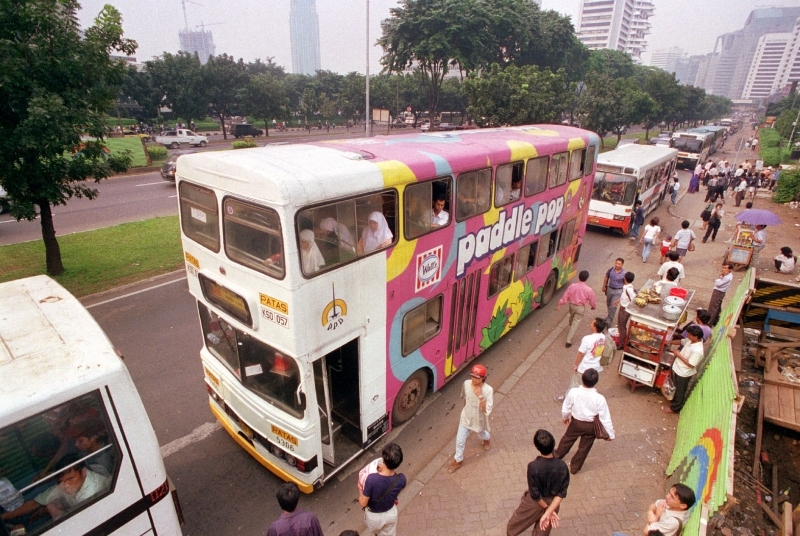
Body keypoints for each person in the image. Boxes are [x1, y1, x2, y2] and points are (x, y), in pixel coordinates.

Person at [1, 455, 111, 523]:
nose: (65, 486)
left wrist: (48, 509)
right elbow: (35, 503)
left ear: (83, 472)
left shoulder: (89, 494)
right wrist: (4, 516)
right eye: (60, 481)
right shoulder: (67, 484)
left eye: (70, 479)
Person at [506, 429, 569, 536]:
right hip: (553, 503)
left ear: (537, 447)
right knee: (542, 531)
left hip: (533, 503)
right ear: (553, 444)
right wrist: (550, 510)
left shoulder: (533, 466)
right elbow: (561, 493)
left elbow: (535, 494)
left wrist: (546, 508)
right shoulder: (562, 466)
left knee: (514, 525)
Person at [553, 369, 615, 474]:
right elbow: (605, 418)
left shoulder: (573, 392)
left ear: (582, 379)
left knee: (567, 439)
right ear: (596, 382)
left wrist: (565, 417)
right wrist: (610, 434)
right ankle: (574, 467)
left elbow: (566, 407)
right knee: (584, 448)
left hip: (576, 423)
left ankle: (558, 454)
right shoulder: (600, 398)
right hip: (591, 426)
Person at [448, 364, 494, 473]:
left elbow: (487, 410)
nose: (474, 380)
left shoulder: (488, 390)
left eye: (477, 378)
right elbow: (465, 398)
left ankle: (486, 439)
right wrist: (466, 410)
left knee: (482, 434)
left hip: (479, 419)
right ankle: (458, 460)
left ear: (483, 378)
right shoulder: (466, 384)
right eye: (472, 376)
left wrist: (480, 396)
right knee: (460, 440)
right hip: (466, 417)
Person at [359, 442, 406, 536]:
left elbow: (363, 503)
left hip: (374, 517)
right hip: (391, 514)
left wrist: (360, 488)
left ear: (383, 459)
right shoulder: (401, 479)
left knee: (375, 533)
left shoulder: (371, 479)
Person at [555, 318, 607, 402]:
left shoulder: (587, 339)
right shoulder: (603, 337)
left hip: (585, 367)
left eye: (592, 323)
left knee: (575, 384)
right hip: (596, 367)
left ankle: (567, 399)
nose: (590, 324)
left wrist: (575, 365)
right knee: (589, 386)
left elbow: (581, 353)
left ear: (595, 327)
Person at [662, 325, 705, 414]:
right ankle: (672, 400)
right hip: (677, 368)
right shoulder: (690, 340)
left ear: (696, 337)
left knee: (680, 391)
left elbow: (691, 364)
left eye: (689, 335)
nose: (688, 336)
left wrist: (678, 355)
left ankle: (675, 408)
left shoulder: (698, 350)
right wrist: (669, 342)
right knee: (674, 386)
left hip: (684, 373)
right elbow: (681, 341)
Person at [556, 270, 597, 348]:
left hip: (571, 306)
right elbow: (592, 300)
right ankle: (568, 340)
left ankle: (571, 327)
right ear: (587, 278)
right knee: (575, 323)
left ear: (579, 277)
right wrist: (593, 306)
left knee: (571, 318)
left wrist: (560, 304)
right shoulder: (588, 289)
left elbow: (566, 295)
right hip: (580, 308)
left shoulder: (572, 286)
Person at [602, 259, 626, 327]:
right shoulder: (610, 270)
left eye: (619, 264)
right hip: (610, 289)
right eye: (616, 263)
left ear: (622, 265)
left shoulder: (624, 273)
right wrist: (604, 286)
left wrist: (623, 292)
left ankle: (609, 322)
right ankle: (609, 317)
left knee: (613, 306)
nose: (617, 265)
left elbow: (625, 283)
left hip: (618, 291)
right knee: (609, 304)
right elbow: (606, 277)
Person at [616, 272, 636, 350]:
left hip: (625, 309)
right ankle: (624, 341)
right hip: (624, 307)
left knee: (621, 326)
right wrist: (619, 300)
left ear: (624, 278)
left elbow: (633, 299)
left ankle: (623, 343)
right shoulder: (627, 287)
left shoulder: (629, 289)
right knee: (621, 325)